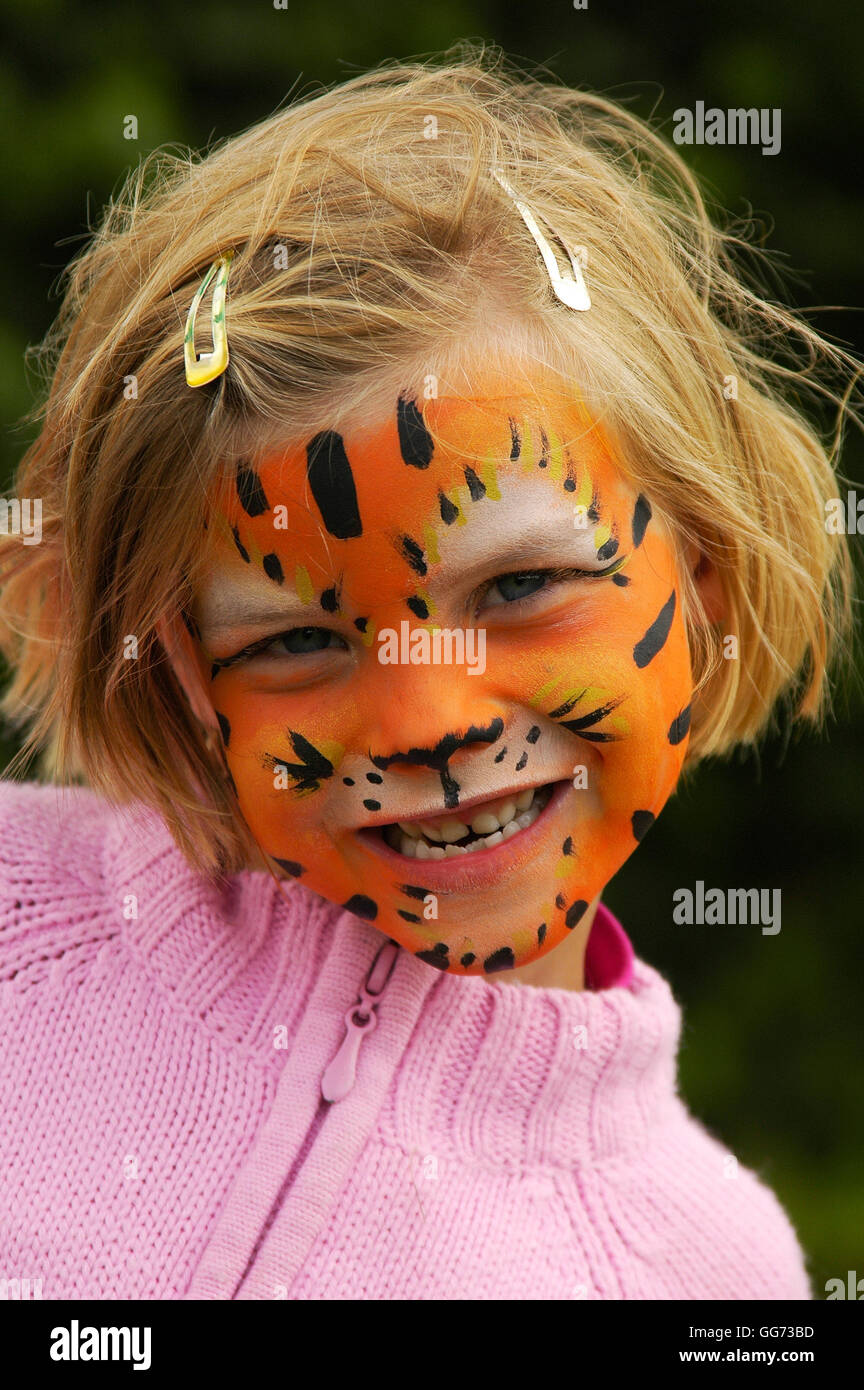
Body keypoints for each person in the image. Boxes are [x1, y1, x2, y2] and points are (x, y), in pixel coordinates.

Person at [0, 45, 854, 1300]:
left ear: (706, 585)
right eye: (295, 640)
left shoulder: (709, 1275)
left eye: (518, 587)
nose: (428, 724)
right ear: (187, 674)